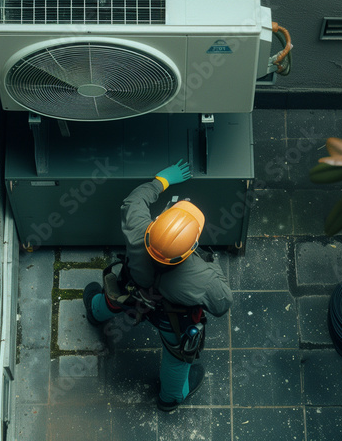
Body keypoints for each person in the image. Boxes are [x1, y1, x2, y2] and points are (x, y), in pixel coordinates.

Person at [83, 160, 233, 412]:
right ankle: (170, 398)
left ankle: (95, 312)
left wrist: (160, 181)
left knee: (113, 298)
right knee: (178, 357)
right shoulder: (201, 278)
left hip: (131, 291)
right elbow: (222, 303)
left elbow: (133, 201)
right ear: (191, 248)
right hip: (171, 320)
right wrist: (210, 264)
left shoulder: (138, 230)